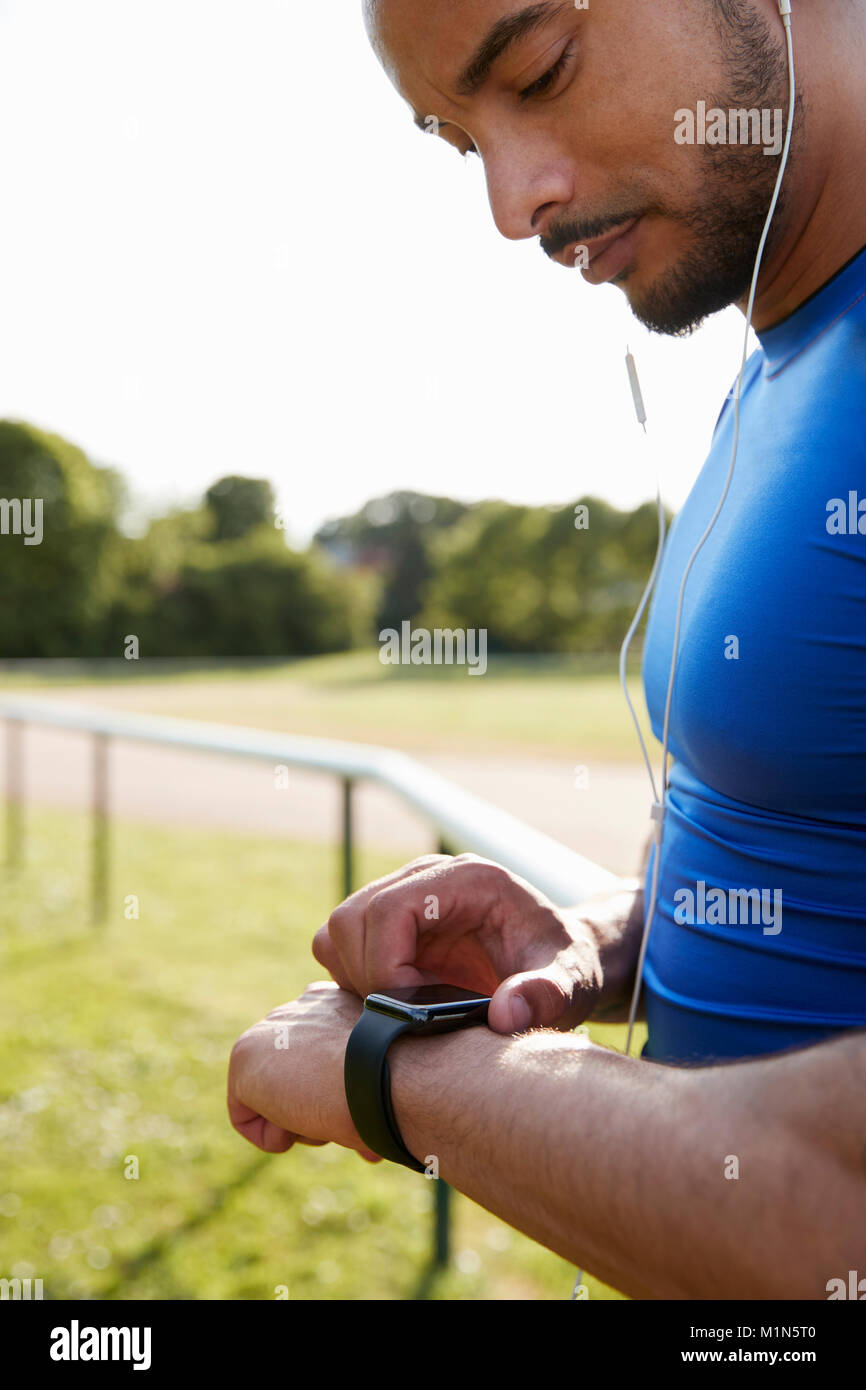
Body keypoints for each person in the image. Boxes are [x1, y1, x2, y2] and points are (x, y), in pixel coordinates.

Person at [227, 0, 866, 1298]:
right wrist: (599, 946)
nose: (513, 205)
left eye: (537, 70)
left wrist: (400, 1074)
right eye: (460, 142)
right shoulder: (784, 350)